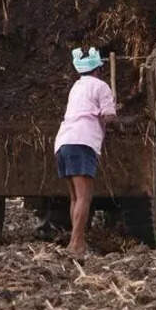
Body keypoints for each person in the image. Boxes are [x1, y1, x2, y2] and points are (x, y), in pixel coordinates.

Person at [53, 47, 118, 257]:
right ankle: (76, 245)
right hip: (83, 142)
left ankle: (76, 242)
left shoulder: (76, 86)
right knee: (84, 198)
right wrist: (114, 109)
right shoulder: (101, 86)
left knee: (74, 198)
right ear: (98, 69)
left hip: (63, 142)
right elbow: (108, 116)